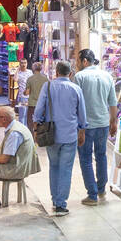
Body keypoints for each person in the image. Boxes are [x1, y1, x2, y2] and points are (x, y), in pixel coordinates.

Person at [33, 61, 86, 214]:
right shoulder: (76, 89)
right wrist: (82, 130)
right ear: (70, 74)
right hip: (70, 135)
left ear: (56, 72)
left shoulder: (48, 86)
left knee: (54, 166)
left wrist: (37, 127)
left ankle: (55, 199)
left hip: (51, 134)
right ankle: (61, 204)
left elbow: (38, 110)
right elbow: (81, 113)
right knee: (66, 169)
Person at [74, 49, 118, 205]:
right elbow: (113, 102)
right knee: (101, 156)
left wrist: (79, 128)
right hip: (103, 123)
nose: (77, 64)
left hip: (86, 125)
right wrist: (114, 122)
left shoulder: (79, 77)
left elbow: (77, 104)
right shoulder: (107, 76)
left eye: (78, 61)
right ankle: (101, 189)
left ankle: (92, 195)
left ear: (85, 61)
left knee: (85, 159)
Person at [0, 105, 40, 200]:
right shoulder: (15, 126)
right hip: (17, 163)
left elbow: (4, 159)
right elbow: (7, 147)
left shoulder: (14, 133)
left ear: (4, 119)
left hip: (15, 168)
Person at [24, 60, 49, 135]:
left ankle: (32, 136)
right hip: (42, 104)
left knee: (30, 121)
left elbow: (27, 92)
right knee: (42, 121)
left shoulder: (30, 79)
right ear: (41, 68)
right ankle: (41, 136)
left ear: (33, 68)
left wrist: (24, 92)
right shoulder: (45, 79)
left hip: (32, 104)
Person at [15, 59, 32, 124]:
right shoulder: (18, 73)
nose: (23, 64)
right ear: (20, 64)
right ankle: (22, 131)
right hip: (21, 97)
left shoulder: (30, 72)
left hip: (30, 97)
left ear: (27, 63)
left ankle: (27, 131)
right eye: (22, 63)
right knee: (22, 116)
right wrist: (17, 70)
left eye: (25, 63)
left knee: (29, 116)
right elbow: (15, 79)